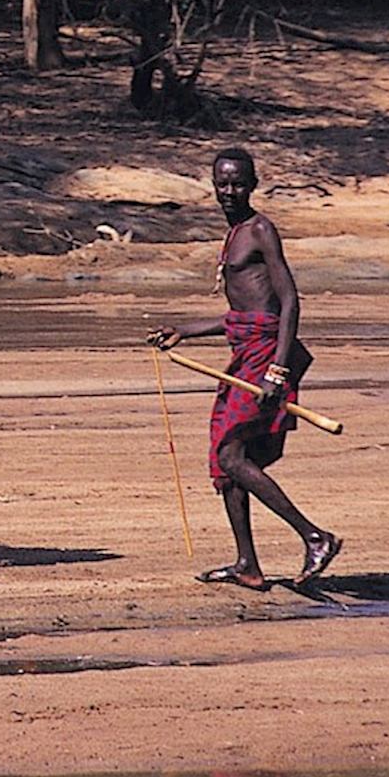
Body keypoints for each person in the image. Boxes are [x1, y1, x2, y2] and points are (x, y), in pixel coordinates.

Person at [149, 148, 341, 590]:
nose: (229, 191)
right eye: (222, 183)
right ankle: (247, 566)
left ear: (253, 185)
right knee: (233, 460)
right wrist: (184, 331)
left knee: (230, 456)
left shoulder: (259, 229)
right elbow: (242, 312)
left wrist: (277, 371)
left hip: (266, 357)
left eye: (238, 183)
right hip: (247, 352)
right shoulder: (233, 233)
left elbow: (288, 302)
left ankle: (315, 536)